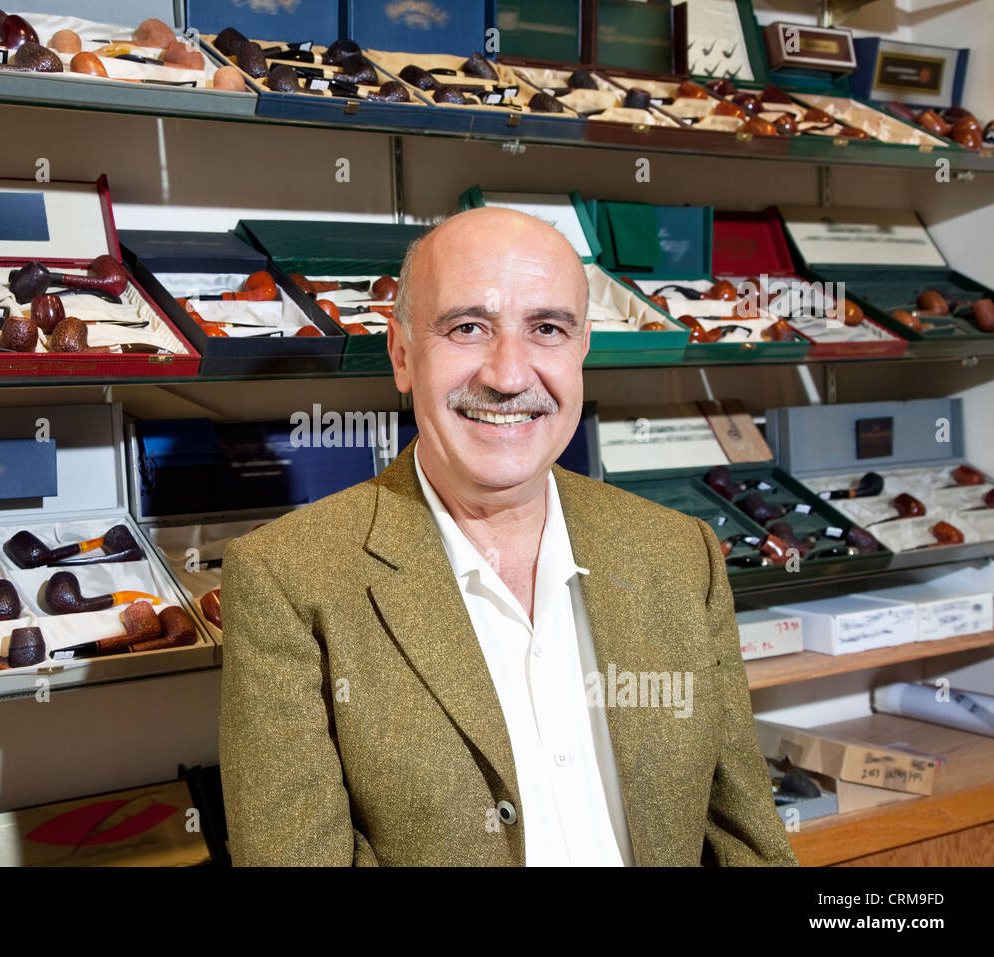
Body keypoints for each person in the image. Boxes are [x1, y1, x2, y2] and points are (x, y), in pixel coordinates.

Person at [218, 206, 798, 866]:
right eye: (468, 327)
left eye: (546, 329)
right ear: (402, 353)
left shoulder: (680, 553)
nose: (509, 374)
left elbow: (749, 840)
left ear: (581, 350)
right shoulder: (287, 578)